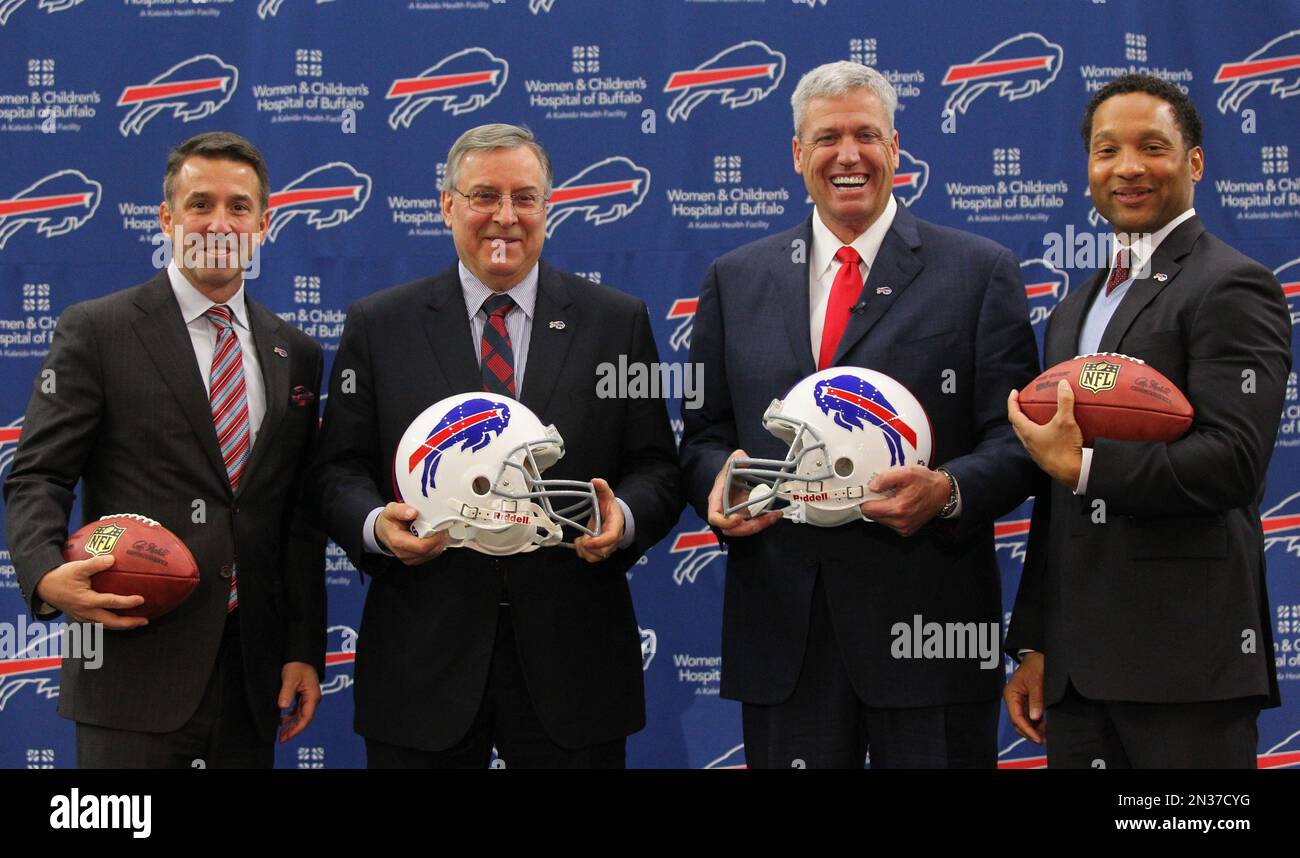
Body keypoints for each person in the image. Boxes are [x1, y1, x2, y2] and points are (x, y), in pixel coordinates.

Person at [679, 62, 1040, 768]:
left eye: (866, 135)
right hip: (787, 635)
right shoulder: (734, 278)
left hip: (929, 632)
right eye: (827, 138)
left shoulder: (978, 271)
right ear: (796, 155)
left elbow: (1018, 438)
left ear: (897, 148)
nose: (848, 155)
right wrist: (719, 488)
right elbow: (704, 437)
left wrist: (949, 491)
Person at [312, 123, 681, 769]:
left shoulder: (616, 322)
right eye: (484, 196)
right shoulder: (380, 324)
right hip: (421, 658)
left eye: (524, 197)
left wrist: (624, 518)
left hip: (575, 660)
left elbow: (657, 466)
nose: (505, 217)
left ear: (549, 207)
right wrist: (376, 525)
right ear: (448, 205)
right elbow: (337, 469)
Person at [4, 131, 325, 768]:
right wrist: (44, 574)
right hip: (130, 665)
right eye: (199, 203)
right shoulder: (97, 330)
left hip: (251, 676)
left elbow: (295, 520)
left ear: (264, 224)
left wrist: (302, 647)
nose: (219, 221)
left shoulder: (298, 353)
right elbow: (38, 474)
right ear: (166, 219)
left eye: (238, 207)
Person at [1004, 74, 1291, 768]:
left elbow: (1233, 463)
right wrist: (1040, 642)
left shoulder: (1231, 284)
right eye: (1107, 151)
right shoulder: (1073, 309)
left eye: (1152, 147)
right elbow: (1057, 492)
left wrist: (1087, 466)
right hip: (1078, 676)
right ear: (1089, 170)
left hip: (1184, 667)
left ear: (1194, 162)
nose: (1128, 167)